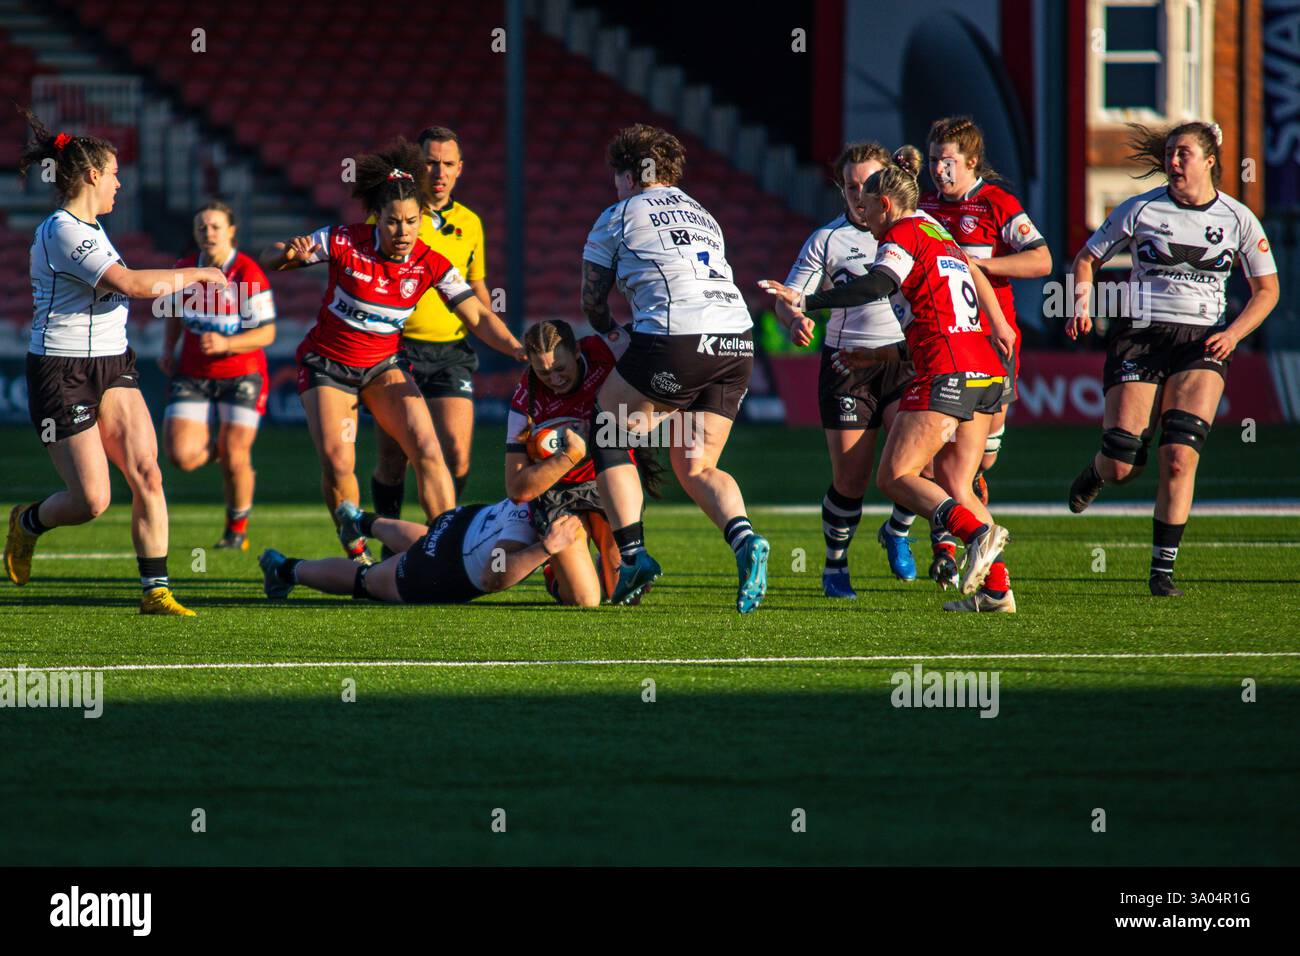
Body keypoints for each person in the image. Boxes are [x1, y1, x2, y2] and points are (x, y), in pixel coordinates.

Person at [761, 147, 1019, 612]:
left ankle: (975, 534)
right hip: (984, 369)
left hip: (944, 370)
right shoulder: (934, 228)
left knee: (896, 475)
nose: (863, 211)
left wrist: (810, 305)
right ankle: (998, 590)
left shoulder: (900, 231)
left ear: (884, 203)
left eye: (868, 199)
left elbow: (876, 285)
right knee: (956, 483)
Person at [3, 107, 229, 615]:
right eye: (113, 174)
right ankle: (28, 522)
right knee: (91, 501)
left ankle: (156, 590)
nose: (119, 184)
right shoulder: (63, 230)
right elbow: (130, 285)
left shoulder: (92, 227)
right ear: (90, 175)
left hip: (114, 363)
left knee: (148, 471)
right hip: (62, 371)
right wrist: (199, 275)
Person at [261, 138, 509, 563]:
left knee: (428, 450)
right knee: (340, 462)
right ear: (378, 219)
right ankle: (358, 555)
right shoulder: (343, 240)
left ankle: (445, 551)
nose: (403, 232)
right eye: (394, 222)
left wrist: (519, 349)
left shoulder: (430, 262)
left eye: (412, 221)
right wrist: (286, 254)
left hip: (382, 366)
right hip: (328, 366)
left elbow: (479, 316)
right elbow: (269, 257)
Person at [1065, 121, 1279, 597]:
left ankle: (1161, 572)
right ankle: (1098, 469)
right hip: (1141, 337)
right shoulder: (1139, 209)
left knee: (1180, 457)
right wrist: (1081, 301)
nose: (1173, 162)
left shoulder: (1238, 218)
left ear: (1209, 161)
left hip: (1202, 343)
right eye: (1168, 154)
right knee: (1124, 463)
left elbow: (1268, 290)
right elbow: (1086, 258)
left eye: (1183, 153)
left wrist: (1234, 333)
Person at [581, 124, 770, 613]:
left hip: (678, 339)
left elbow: (592, 300)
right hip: (736, 342)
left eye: (617, 176)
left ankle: (634, 558)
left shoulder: (617, 214)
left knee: (607, 428)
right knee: (696, 464)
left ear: (626, 173)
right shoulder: (704, 214)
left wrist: (617, 337)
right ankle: (746, 540)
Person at [369, 126, 522, 544]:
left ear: (460, 169)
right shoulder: (391, 215)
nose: (438, 171)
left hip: (452, 351)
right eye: (430, 162)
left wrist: (497, 333)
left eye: (447, 164)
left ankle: (441, 543)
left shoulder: (470, 223)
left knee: (455, 455)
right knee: (394, 458)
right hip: (395, 351)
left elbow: (477, 286)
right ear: (415, 166)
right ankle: (390, 542)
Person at [781, 141, 919, 597]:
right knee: (852, 479)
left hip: (901, 360)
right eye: (851, 186)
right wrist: (794, 318)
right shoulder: (827, 240)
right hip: (848, 366)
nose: (860, 195)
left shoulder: (913, 232)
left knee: (918, 463)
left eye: (870, 184)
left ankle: (897, 531)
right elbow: (790, 297)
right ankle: (835, 566)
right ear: (841, 189)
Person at [917, 115, 1050, 581]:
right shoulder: (925, 206)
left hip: (993, 344)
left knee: (979, 462)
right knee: (940, 456)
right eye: (933, 160)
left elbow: (1042, 259)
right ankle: (950, 552)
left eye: (947, 161)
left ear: (972, 161)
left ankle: (977, 546)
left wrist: (981, 266)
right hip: (944, 347)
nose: (938, 170)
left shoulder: (996, 204)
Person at [505, 319, 661, 606]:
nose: (554, 379)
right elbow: (517, 489)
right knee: (584, 600)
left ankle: (608, 557)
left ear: (577, 351)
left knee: (623, 595)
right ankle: (555, 572)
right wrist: (570, 456)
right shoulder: (525, 399)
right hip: (558, 493)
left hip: (607, 482)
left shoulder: (605, 351)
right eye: (543, 372)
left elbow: (655, 329)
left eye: (560, 368)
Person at [159, 200, 276, 550]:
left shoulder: (248, 273)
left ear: (231, 231)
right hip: (193, 373)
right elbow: (174, 315)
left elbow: (266, 334)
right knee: (181, 456)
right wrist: (169, 349)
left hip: (243, 374)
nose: (207, 233)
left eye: (214, 227)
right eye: (201, 228)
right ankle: (221, 447)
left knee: (236, 454)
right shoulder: (183, 269)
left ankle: (235, 531)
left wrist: (227, 342)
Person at [257, 500, 584, 606]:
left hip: (459, 522)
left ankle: (362, 521)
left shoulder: (530, 488)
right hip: (440, 570)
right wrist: (546, 548)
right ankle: (284, 569)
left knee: (429, 541)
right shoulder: (528, 525)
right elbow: (492, 574)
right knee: (367, 579)